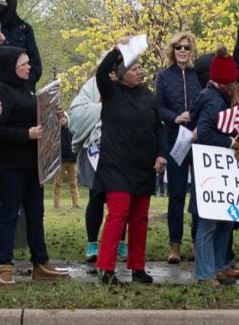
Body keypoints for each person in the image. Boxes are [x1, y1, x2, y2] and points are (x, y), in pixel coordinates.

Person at [0, 44, 68, 286]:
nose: (28, 67)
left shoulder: (30, 91)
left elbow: (39, 121)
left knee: (36, 214)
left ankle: (40, 262)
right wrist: (26, 134)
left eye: (27, 63)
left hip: (34, 165)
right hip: (10, 165)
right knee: (9, 215)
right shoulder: (1, 92)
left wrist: (58, 118)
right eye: (22, 64)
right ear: (10, 68)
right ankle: (4, 264)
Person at [93, 45, 169, 286]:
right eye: (134, 68)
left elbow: (160, 127)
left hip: (143, 166)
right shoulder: (111, 91)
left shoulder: (148, 95)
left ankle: (137, 267)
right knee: (118, 214)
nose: (140, 71)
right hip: (115, 165)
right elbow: (101, 71)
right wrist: (119, 48)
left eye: (140, 68)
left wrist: (161, 154)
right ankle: (105, 268)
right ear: (122, 72)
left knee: (140, 218)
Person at [191, 50, 239, 286]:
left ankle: (221, 266)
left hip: (220, 170)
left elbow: (234, 122)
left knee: (226, 219)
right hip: (211, 171)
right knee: (208, 222)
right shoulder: (214, 100)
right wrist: (231, 143)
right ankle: (205, 274)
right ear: (228, 80)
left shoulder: (219, 97)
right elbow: (207, 133)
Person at [154, 30, 201, 265]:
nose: (182, 51)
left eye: (186, 48)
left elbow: (211, 103)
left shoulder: (199, 75)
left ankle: (197, 243)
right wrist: (175, 117)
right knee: (176, 195)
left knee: (200, 195)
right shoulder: (163, 76)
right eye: (178, 48)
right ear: (172, 51)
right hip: (175, 140)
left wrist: (199, 126)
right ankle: (175, 245)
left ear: (192, 51)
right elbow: (158, 107)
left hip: (199, 139)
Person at [65, 68, 109, 265]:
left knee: (122, 200)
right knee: (96, 197)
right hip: (95, 150)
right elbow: (78, 113)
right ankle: (92, 244)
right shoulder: (91, 87)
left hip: (121, 149)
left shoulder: (128, 84)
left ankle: (120, 243)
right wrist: (103, 109)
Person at [54, 123, 79, 209]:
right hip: (60, 161)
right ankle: (56, 204)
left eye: (64, 116)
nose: (63, 119)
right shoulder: (56, 130)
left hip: (72, 161)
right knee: (57, 183)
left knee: (73, 183)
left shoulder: (73, 129)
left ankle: (76, 204)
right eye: (61, 117)